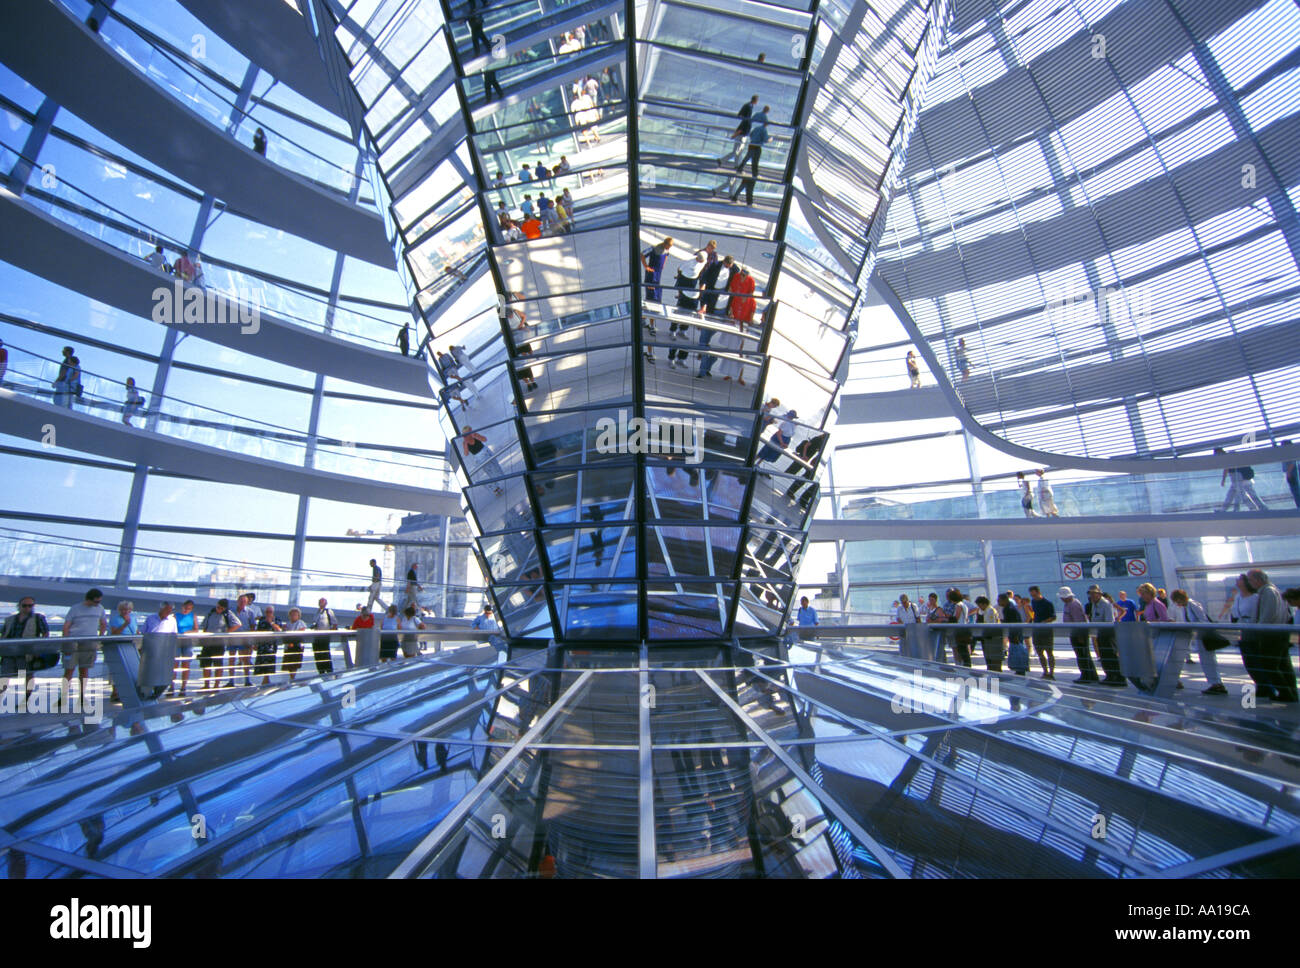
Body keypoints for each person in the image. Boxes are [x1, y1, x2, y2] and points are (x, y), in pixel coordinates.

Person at [1245, 569, 1297, 702]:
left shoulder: (1267, 592)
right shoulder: (1276, 591)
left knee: (1270, 665)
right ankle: (1291, 693)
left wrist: (1258, 630)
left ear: (1258, 580)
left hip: (1271, 636)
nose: (1249, 583)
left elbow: (1267, 616)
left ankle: (1285, 693)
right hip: (1280, 634)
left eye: (1250, 580)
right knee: (1283, 665)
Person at [1169, 589, 1226, 695]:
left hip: (1204, 637)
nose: (1177, 604)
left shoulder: (1193, 605)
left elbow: (1203, 620)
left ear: (1180, 599)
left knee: (1208, 660)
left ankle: (1217, 684)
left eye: (1176, 601)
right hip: (1200, 637)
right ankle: (1215, 683)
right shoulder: (1186, 607)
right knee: (1206, 660)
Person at [2, 596, 49, 702]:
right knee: (4, 676)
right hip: (9, 652)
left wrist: (39, 649)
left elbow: (45, 633)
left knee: (27, 675)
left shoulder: (38, 618)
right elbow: (5, 634)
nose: (27, 608)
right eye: (25, 605)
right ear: (19, 606)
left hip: (27, 652)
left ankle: (27, 699)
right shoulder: (10, 619)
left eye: (30, 605)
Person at [61, 588, 107, 697]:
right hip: (73, 641)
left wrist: (99, 638)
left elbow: (103, 623)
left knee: (84, 669)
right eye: (96, 601)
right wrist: (66, 640)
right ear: (89, 599)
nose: (98, 604)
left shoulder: (100, 609)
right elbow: (66, 625)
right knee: (69, 669)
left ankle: (82, 694)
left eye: (99, 601)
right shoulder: (75, 608)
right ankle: (63, 695)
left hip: (90, 641)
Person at [1084, 585, 1125, 686]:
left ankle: (1119, 678)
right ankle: (1110, 675)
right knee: (1104, 655)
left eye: (1093, 594)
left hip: (1108, 634)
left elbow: (1109, 621)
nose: (1091, 596)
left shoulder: (1106, 604)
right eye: (1090, 594)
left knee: (1111, 655)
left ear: (1099, 594)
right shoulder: (1094, 604)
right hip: (1100, 633)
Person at [1058, 586, 1098, 683]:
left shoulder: (1074, 605)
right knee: (1081, 655)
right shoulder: (1068, 604)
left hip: (1078, 634)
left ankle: (1088, 676)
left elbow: (1079, 620)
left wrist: (1080, 635)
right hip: (1074, 633)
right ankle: (1088, 675)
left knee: (1083, 655)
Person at [730, 106, 768, 206]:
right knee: (754, 161)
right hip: (757, 147)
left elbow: (751, 134)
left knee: (747, 158)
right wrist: (769, 140)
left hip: (752, 144)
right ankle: (752, 174)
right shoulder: (764, 130)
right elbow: (765, 139)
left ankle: (741, 169)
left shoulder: (756, 126)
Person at [199, 598, 240, 690]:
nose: (219, 609)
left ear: (225, 608)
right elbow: (204, 626)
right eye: (218, 607)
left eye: (221, 608)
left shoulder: (227, 614)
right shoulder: (210, 613)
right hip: (207, 642)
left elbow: (238, 624)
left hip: (219, 643)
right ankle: (206, 685)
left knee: (218, 664)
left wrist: (226, 632)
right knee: (206, 664)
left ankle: (216, 685)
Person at [721, 95, 759, 166]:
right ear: (755, 101)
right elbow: (745, 121)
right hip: (743, 133)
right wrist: (737, 133)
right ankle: (724, 161)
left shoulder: (748, 106)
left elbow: (740, 115)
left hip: (742, 132)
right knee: (737, 151)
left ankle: (736, 165)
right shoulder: (749, 108)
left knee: (738, 151)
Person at [230, 593, 258, 687]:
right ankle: (231, 681)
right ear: (237, 601)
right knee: (232, 659)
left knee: (246, 659)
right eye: (241, 601)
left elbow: (253, 626)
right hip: (233, 638)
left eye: (244, 601)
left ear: (247, 602)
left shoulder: (250, 612)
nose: (242, 603)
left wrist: (252, 640)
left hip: (244, 638)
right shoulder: (231, 611)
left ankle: (247, 680)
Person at [1028, 585, 1055, 679]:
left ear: (1038, 592)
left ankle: (1051, 672)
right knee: (1039, 652)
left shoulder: (1047, 603)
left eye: (1034, 595)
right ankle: (1045, 671)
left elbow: (1053, 617)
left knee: (1049, 651)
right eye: (1032, 595)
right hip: (1037, 630)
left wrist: (1043, 622)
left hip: (1046, 630)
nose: (1033, 597)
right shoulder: (1033, 602)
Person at [973, 595, 1004, 671]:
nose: (979, 607)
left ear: (984, 604)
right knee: (989, 656)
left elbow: (990, 623)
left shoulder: (990, 611)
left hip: (993, 637)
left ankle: (995, 672)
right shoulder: (984, 611)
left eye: (980, 605)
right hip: (987, 637)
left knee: (993, 657)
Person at [944, 588, 972, 666]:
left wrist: (947, 618)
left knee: (961, 648)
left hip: (960, 630)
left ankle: (964, 665)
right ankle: (965, 664)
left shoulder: (958, 605)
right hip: (964, 628)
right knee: (963, 648)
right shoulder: (964, 605)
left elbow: (956, 617)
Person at [311, 598, 337, 676]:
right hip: (317, 636)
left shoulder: (329, 612)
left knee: (325, 653)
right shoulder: (317, 612)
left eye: (322, 602)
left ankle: (329, 671)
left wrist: (330, 633)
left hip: (325, 636)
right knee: (318, 654)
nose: (321, 603)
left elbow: (334, 623)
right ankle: (321, 671)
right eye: (320, 602)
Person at [281, 608, 307, 681]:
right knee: (289, 663)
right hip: (288, 645)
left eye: (295, 615)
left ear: (298, 616)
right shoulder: (288, 623)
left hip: (297, 645)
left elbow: (301, 630)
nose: (293, 616)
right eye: (292, 615)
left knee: (294, 663)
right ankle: (291, 677)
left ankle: (293, 677)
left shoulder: (300, 622)